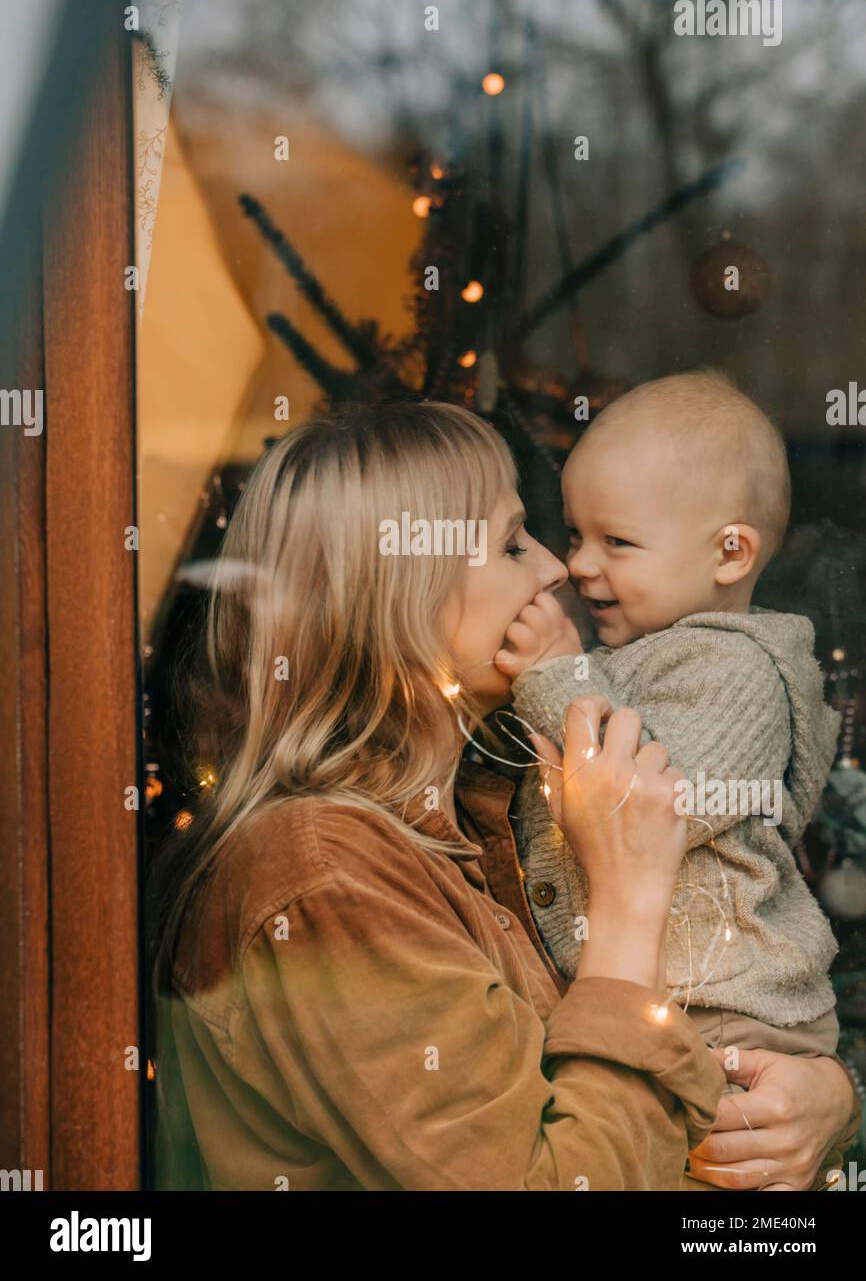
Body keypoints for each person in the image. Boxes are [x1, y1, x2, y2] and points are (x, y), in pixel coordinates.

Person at [149, 401, 859, 1191]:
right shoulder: (324, 880)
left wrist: (824, 1100)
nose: (557, 569)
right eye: (513, 543)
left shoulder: (492, 808)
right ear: (404, 589)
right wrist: (627, 902)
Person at [499, 374, 845, 1181]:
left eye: (616, 543)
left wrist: (557, 674)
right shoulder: (634, 650)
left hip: (738, 1024)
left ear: (731, 553)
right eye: (576, 533)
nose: (579, 565)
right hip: (665, 1014)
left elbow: (650, 799)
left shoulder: (738, 669)